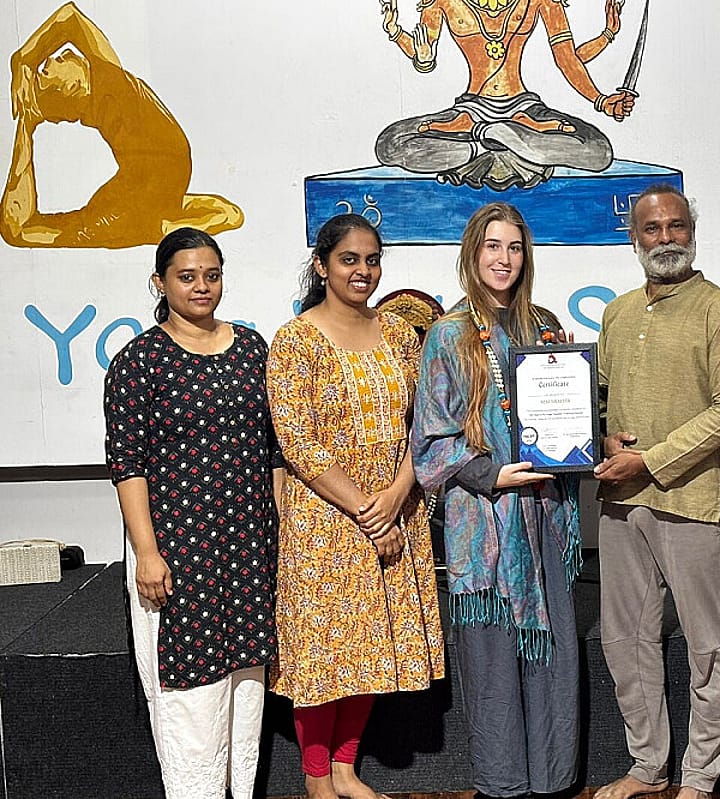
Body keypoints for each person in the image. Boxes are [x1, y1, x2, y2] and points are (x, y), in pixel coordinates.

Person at [266, 213, 444, 799]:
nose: (362, 271)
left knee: (371, 644)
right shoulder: (294, 340)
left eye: (371, 260)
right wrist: (368, 510)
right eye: (348, 259)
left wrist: (395, 498)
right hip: (326, 519)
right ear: (321, 266)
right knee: (324, 656)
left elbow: (425, 426)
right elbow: (297, 440)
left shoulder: (399, 333)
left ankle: (346, 772)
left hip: (397, 506)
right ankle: (318, 782)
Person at [411, 202, 583, 798]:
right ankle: (504, 785)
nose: (502, 259)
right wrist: (491, 474)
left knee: (552, 660)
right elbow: (430, 444)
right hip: (481, 528)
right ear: (471, 253)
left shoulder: (547, 329)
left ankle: (553, 780)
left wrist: (582, 443)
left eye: (513, 247)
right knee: (490, 670)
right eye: (491, 246)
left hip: (544, 519)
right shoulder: (447, 335)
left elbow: (571, 418)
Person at [103, 228, 281, 799]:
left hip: (250, 544)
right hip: (179, 549)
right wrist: (147, 554)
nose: (202, 287)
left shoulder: (253, 349)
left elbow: (273, 451)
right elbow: (127, 466)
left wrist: (282, 528)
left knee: (247, 686)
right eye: (187, 276)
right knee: (192, 693)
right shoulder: (139, 362)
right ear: (160, 282)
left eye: (212, 275)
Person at [593, 184, 720, 799]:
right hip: (620, 503)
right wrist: (604, 443)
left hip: (687, 497)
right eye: (653, 228)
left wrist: (648, 462)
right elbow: (598, 399)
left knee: (706, 643)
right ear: (634, 238)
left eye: (676, 226)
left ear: (692, 230)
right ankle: (647, 766)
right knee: (624, 638)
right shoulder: (619, 312)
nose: (666, 238)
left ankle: (700, 775)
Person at [3, 2, 242, 247]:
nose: (56, 55)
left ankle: (162, 224)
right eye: (45, 71)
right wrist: (26, 124)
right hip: (144, 190)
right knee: (27, 230)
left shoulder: (107, 76)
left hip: (153, 182)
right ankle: (161, 226)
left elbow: (70, 16)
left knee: (221, 213)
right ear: (70, 90)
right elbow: (17, 229)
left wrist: (24, 60)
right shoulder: (112, 84)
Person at [376, 0, 636, 189]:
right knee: (389, 143)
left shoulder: (540, 1)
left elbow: (568, 58)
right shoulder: (443, 2)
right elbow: (424, 56)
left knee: (598, 150)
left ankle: (502, 135)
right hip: (470, 111)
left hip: (523, 111)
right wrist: (398, 35)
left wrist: (602, 99)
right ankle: (476, 145)